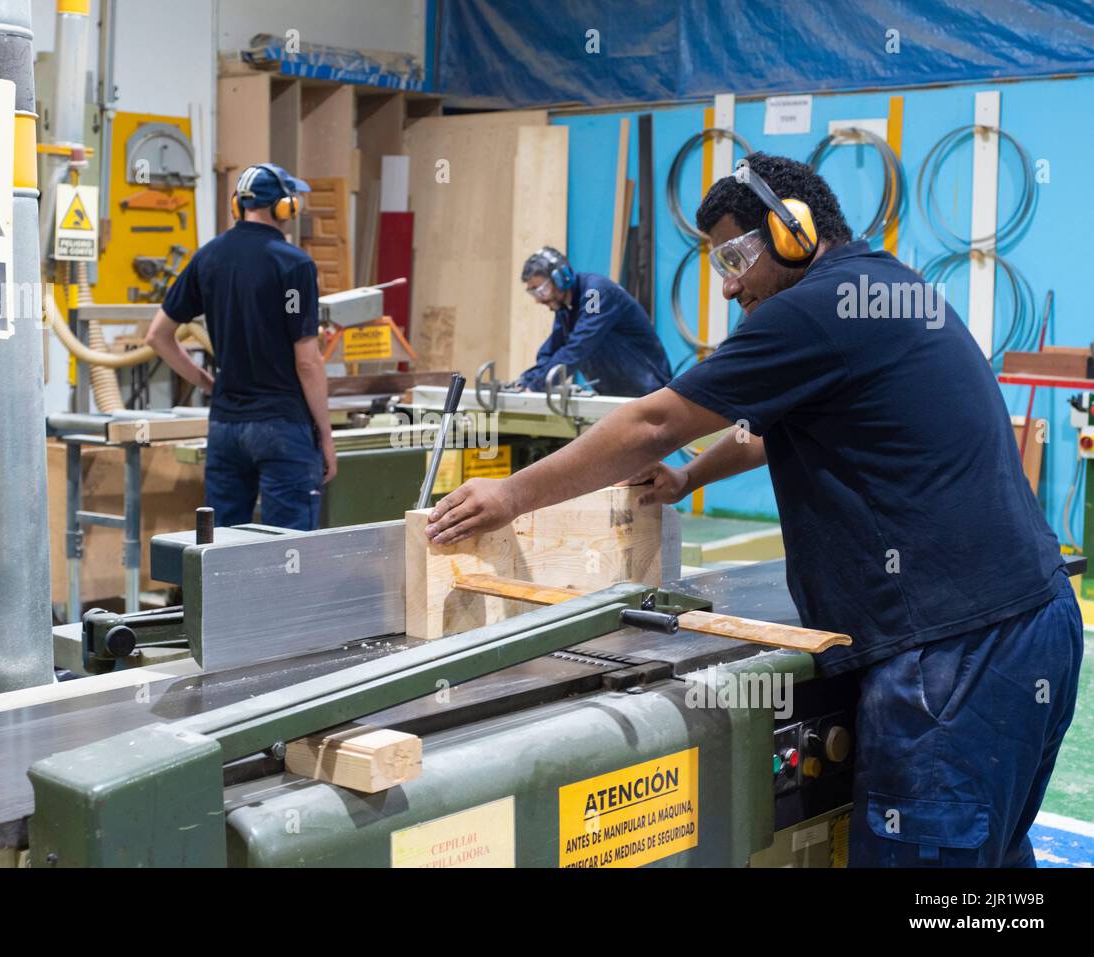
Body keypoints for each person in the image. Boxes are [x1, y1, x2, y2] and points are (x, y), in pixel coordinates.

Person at [424, 153, 1081, 867]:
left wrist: (509, 494)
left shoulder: (814, 308)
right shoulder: (882, 285)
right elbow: (764, 428)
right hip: (1031, 623)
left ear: (793, 229)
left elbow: (654, 423)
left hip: (955, 656)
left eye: (737, 255)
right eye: (718, 264)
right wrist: (688, 478)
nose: (731, 283)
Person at [145, 162, 336, 531]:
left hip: (225, 427)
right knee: (289, 548)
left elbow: (158, 336)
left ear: (238, 206)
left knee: (221, 548)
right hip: (282, 427)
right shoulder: (293, 265)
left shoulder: (208, 257)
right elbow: (308, 362)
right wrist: (326, 436)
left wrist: (207, 384)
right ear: (285, 208)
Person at [517, 246, 673, 397]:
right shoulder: (566, 307)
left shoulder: (596, 293)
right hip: (618, 393)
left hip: (649, 390)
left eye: (541, 290)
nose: (538, 300)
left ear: (561, 278)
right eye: (533, 293)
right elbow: (553, 349)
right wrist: (527, 381)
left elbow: (579, 346)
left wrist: (537, 386)